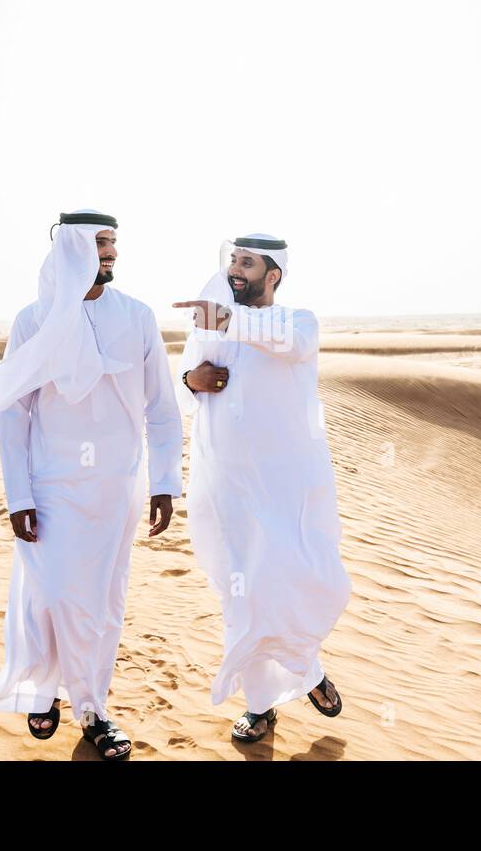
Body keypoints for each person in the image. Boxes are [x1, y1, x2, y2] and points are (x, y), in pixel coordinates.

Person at [0, 209, 182, 760]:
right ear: (72, 250)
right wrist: (18, 494)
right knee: (54, 593)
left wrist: (165, 481)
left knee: (103, 602)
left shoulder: (136, 316)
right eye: (99, 243)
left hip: (118, 487)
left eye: (113, 243)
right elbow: (15, 415)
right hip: (51, 486)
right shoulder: (33, 321)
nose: (110, 253)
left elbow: (162, 406)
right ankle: (43, 685)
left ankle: (93, 710)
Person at [172, 233, 352, 743]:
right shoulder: (211, 328)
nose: (236, 270)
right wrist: (192, 379)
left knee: (289, 584)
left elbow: (286, 344)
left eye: (247, 263)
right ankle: (260, 707)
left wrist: (228, 321)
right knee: (241, 597)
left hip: (283, 492)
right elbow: (182, 385)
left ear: (273, 275)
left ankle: (307, 667)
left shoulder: (296, 322)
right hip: (224, 491)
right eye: (233, 260)